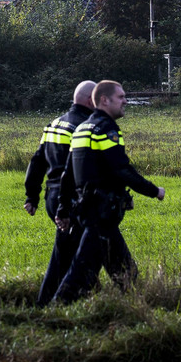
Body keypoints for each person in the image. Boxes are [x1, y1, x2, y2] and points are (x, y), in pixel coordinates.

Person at [52, 80, 165, 304]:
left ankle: (133, 307)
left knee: (124, 269)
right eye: (121, 97)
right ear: (104, 100)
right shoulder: (106, 129)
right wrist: (153, 191)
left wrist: (63, 209)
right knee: (82, 269)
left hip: (89, 210)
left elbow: (68, 175)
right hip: (101, 212)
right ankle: (57, 309)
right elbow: (122, 169)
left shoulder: (83, 128)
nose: (126, 101)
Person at [24, 80, 96, 306]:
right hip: (71, 199)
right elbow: (84, 169)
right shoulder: (83, 126)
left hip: (51, 197)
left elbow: (37, 161)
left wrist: (32, 196)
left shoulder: (54, 124)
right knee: (67, 257)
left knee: (72, 252)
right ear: (89, 100)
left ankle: (72, 299)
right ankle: (52, 304)